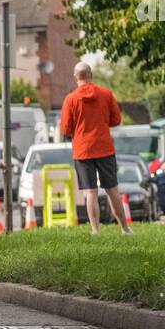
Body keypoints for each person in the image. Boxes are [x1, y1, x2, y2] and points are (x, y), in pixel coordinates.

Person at [58, 61, 130, 234]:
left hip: (83, 151)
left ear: (76, 77)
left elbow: (66, 129)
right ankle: (125, 229)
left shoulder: (70, 99)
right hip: (104, 147)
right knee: (112, 189)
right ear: (90, 75)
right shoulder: (106, 94)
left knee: (90, 192)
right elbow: (116, 120)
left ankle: (95, 230)